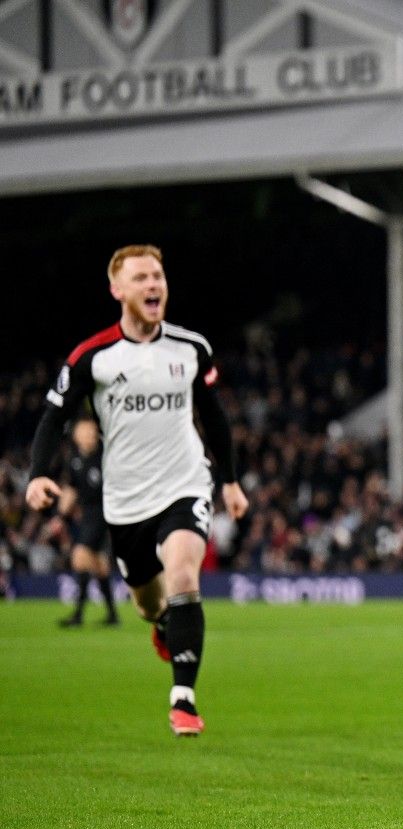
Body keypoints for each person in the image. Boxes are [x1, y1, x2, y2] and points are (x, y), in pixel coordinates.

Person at [26, 245, 248, 736]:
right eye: (142, 278)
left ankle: (183, 699)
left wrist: (229, 480)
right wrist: (39, 474)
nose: (154, 285)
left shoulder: (191, 348)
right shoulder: (94, 357)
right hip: (126, 500)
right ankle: (165, 627)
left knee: (184, 574)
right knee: (150, 603)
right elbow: (54, 416)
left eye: (159, 276)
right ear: (118, 290)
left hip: (185, 482)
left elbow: (213, 416)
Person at [56, 418, 120, 627]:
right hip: (88, 514)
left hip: (103, 512)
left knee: (79, 556)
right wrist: (60, 512)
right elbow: (72, 488)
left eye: (93, 432)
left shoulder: (104, 457)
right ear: (76, 435)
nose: (90, 435)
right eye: (85, 432)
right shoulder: (74, 459)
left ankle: (78, 614)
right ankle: (112, 615)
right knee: (100, 565)